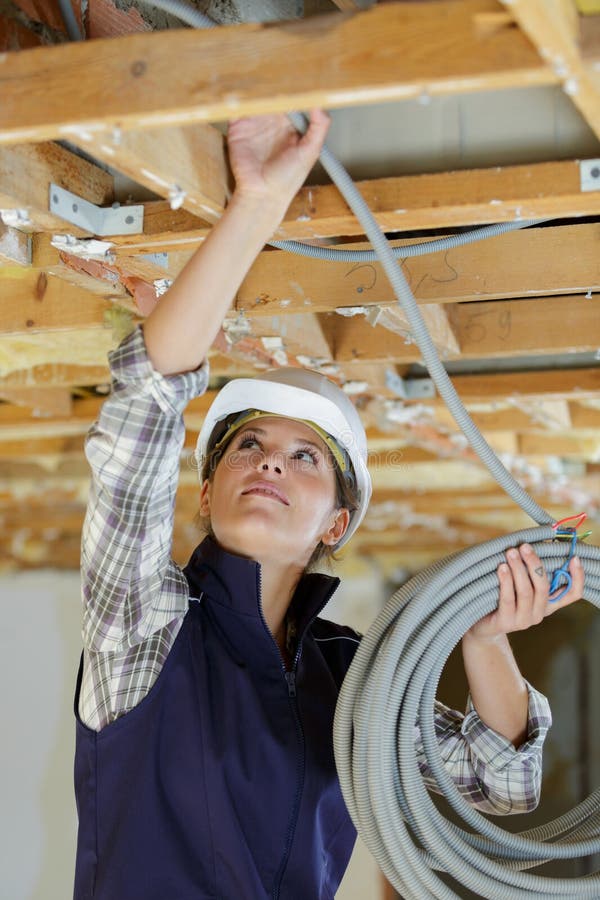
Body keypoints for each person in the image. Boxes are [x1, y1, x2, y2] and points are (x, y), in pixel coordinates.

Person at [73, 110, 584, 900]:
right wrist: (256, 205)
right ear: (206, 493)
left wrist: (484, 640)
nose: (269, 457)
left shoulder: (353, 680)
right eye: (247, 445)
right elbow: (143, 411)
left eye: (304, 457)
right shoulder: (147, 626)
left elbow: (501, 785)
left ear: (337, 523)